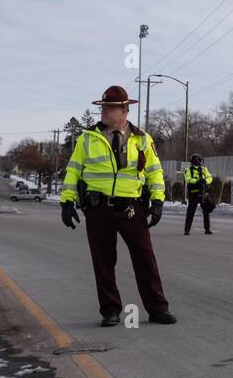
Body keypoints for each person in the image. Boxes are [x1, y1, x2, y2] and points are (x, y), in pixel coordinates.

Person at [59, 85, 176, 327]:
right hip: (98, 208)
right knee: (103, 260)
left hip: (132, 208)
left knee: (145, 258)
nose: (104, 112)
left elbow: (155, 172)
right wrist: (67, 202)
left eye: (109, 108)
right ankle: (110, 310)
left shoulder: (142, 139)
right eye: (102, 107)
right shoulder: (87, 138)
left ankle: (157, 309)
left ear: (124, 110)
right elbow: (73, 171)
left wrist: (157, 201)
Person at [183, 153, 214, 235]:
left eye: (198, 159)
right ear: (192, 161)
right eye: (195, 159)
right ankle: (187, 230)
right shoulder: (189, 170)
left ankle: (207, 229)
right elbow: (187, 178)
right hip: (193, 193)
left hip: (202, 192)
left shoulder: (204, 169)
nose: (197, 161)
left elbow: (209, 177)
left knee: (206, 210)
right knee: (190, 212)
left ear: (200, 160)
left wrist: (205, 181)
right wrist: (196, 181)